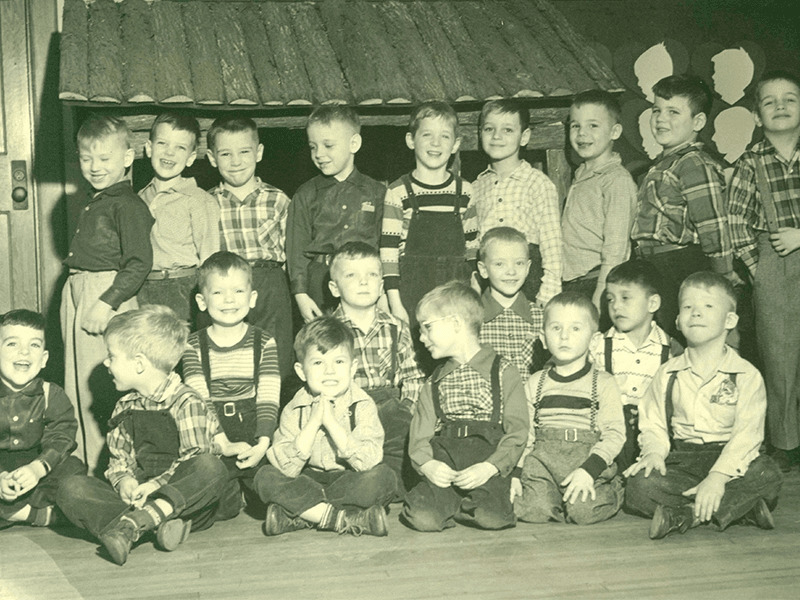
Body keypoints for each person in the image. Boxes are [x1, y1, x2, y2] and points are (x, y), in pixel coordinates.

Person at [57, 306, 234, 565]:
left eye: (111, 356)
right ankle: (145, 524)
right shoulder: (124, 407)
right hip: (141, 498)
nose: (106, 362)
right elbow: (119, 459)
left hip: (182, 496)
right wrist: (124, 481)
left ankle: (135, 525)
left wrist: (154, 486)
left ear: (139, 363)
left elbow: (193, 458)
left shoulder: (186, 401)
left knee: (210, 467)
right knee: (70, 488)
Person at [625, 272, 782, 539]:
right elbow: (653, 424)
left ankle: (687, 515)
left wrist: (718, 477)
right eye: (688, 307)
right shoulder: (667, 373)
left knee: (769, 474)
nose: (696, 313)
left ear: (729, 320)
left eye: (708, 306)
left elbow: (747, 436)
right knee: (638, 486)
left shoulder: (747, 375)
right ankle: (739, 508)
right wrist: (653, 453)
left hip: (731, 460)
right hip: (683, 460)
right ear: (678, 320)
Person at [61, 114, 154, 474]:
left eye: (104, 158)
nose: (95, 166)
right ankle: (83, 467)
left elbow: (139, 262)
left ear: (127, 158)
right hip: (81, 289)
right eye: (87, 158)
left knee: (101, 386)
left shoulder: (127, 204)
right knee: (78, 383)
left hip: (104, 294)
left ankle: (108, 471)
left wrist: (105, 303)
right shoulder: (97, 200)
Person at [402, 282, 528, 532]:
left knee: (492, 518)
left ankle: (466, 505)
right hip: (445, 462)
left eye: (427, 327)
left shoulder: (504, 371)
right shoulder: (433, 382)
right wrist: (428, 465)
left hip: (486, 463)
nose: (421, 338)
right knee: (422, 517)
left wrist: (491, 467)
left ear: (456, 324)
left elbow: (518, 431)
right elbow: (419, 436)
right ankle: (451, 503)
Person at [254, 317, 396, 537]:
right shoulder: (294, 408)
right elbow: (286, 468)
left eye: (339, 361)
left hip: (348, 480)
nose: (329, 371)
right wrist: (313, 423)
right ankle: (344, 519)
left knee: (384, 478)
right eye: (318, 363)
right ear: (301, 371)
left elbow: (368, 461)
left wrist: (330, 423)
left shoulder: (363, 404)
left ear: (353, 367)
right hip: (306, 480)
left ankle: (303, 515)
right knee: (265, 477)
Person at [630, 75, 740, 340]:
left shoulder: (694, 164)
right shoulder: (661, 164)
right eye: (656, 110)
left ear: (698, 122)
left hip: (679, 264)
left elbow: (712, 224)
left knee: (683, 336)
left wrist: (723, 275)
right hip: (653, 264)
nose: (661, 119)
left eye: (673, 112)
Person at [727, 70, 800, 471]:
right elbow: (736, 222)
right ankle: (787, 442)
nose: (780, 106)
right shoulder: (750, 163)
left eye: (790, 99)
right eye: (770, 102)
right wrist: (761, 272)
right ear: (757, 115)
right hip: (774, 268)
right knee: (779, 357)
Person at [514, 292, 625, 525]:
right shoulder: (535, 382)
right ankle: (552, 498)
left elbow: (614, 434)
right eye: (556, 328)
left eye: (575, 328)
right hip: (543, 464)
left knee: (583, 513)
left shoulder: (603, 382)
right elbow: (526, 435)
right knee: (532, 511)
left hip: (587, 462)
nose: (564, 336)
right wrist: (516, 473)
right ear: (543, 338)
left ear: (593, 340)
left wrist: (590, 470)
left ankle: (615, 488)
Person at [182, 252, 281, 507]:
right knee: (221, 506)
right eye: (218, 292)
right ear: (202, 301)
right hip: (215, 437)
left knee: (272, 487)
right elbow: (199, 402)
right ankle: (233, 495)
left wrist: (263, 443)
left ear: (252, 298)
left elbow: (269, 397)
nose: (229, 300)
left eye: (238, 291)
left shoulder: (264, 342)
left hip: (255, 434)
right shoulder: (192, 346)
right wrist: (222, 444)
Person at [329, 242, 425, 494]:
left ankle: (381, 487)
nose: (364, 282)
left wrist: (407, 409)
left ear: (382, 286)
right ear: (334, 288)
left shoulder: (396, 326)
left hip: (390, 410)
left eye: (372, 275)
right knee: (345, 466)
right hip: (348, 412)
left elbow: (414, 376)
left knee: (402, 472)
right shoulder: (326, 330)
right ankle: (363, 489)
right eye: (352, 275)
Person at [206, 115, 293, 378]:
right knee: (228, 360)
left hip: (270, 285)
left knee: (275, 359)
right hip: (226, 286)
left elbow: (291, 256)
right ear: (211, 158)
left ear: (259, 152)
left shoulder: (278, 199)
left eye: (244, 152)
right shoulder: (206, 202)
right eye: (225, 154)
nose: (236, 162)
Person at [380, 101, 478, 330]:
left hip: (455, 298)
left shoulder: (465, 191)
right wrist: (395, 303)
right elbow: (388, 253)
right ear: (411, 140)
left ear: (455, 144)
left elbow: (472, 246)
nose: (436, 143)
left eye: (445, 136)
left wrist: (475, 285)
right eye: (427, 135)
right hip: (410, 297)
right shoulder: (397, 192)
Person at [287, 105, 386, 323]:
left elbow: (386, 247)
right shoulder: (305, 194)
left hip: (364, 282)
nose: (319, 154)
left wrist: (383, 292)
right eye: (313, 147)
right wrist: (301, 295)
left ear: (354, 144)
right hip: (319, 283)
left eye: (328, 145)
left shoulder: (377, 193)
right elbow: (296, 249)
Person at [589, 260, 682, 473]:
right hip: (608, 432)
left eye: (625, 298)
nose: (616, 306)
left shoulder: (671, 350)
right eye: (610, 299)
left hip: (655, 433)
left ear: (653, 303)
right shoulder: (598, 345)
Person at [472, 99, 562, 306]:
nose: (497, 136)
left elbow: (552, 243)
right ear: (480, 133)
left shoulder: (538, 183)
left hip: (528, 278)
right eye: (489, 129)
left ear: (524, 137)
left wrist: (549, 289)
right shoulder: (476, 187)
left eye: (508, 130)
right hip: (489, 278)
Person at [0, 310, 84, 529]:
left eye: (34, 345)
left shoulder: (51, 394)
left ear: (44, 359)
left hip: (36, 466)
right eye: (12, 344)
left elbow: (62, 437)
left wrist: (37, 469)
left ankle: (13, 512)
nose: (24, 351)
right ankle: (32, 515)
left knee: (73, 470)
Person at [136, 113, 220, 324]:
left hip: (183, 289)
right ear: (149, 148)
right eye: (162, 143)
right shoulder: (137, 198)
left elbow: (210, 257)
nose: (169, 152)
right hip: (142, 288)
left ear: (191, 158)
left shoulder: (199, 199)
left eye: (180, 147)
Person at [561, 90, 638, 314]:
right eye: (575, 126)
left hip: (596, 280)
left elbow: (616, 247)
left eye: (593, 126)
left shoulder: (616, 180)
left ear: (615, 132)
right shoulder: (581, 173)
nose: (582, 134)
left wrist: (602, 292)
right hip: (572, 280)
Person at [476, 227, 545, 380]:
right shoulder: (471, 320)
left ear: (528, 268)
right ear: (483, 270)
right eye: (500, 264)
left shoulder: (542, 318)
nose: (511, 271)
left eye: (519, 263)